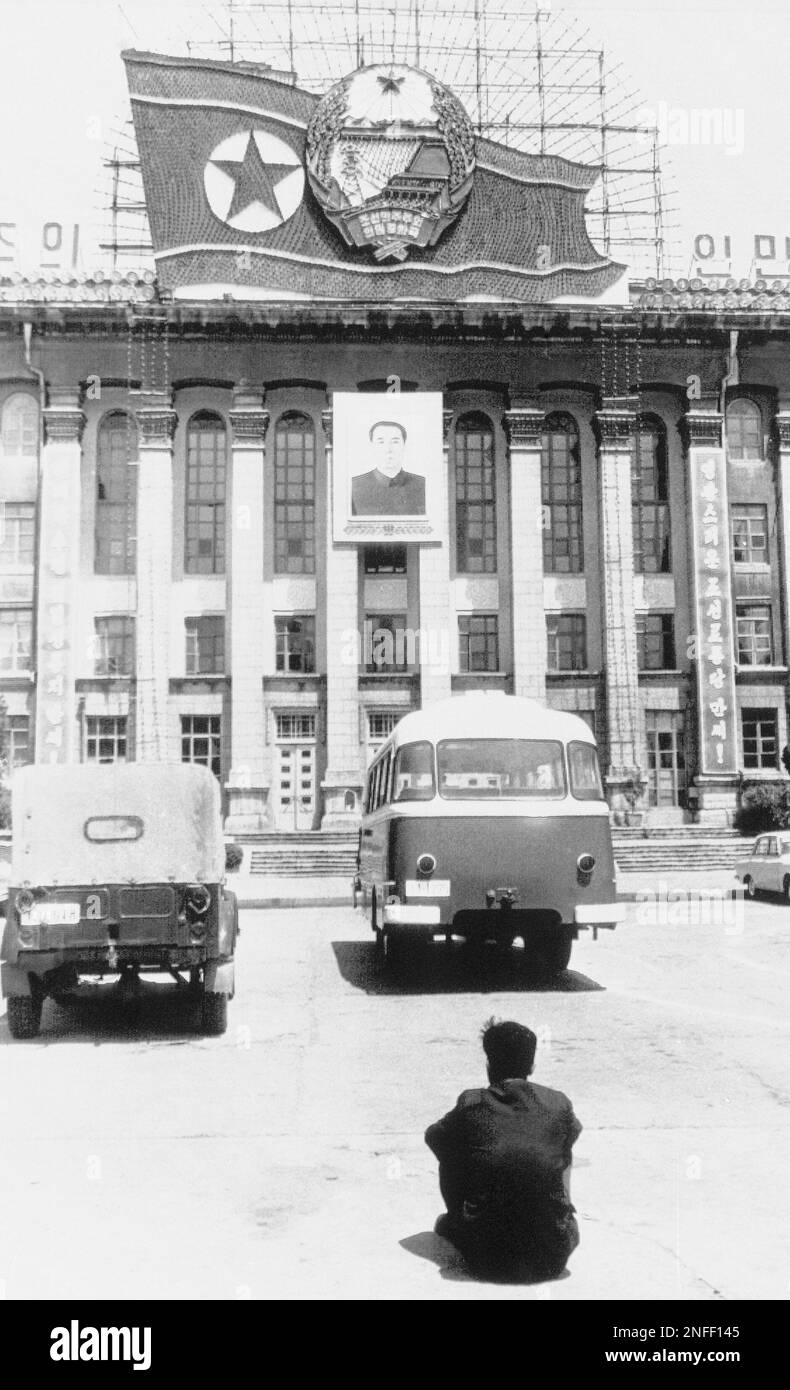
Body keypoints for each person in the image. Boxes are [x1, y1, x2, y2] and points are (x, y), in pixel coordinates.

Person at [425, 1018, 582, 1282]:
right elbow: (571, 1138)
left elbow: (434, 1137)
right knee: (560, 1149)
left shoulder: (471, 1102)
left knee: (452, 1144)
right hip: (551, 1254)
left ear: (489, 1065)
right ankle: (550, 1214)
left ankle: (458, 1220)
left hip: (486, 1256)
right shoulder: (558, 1103)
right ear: (531, 1065)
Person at [351, 419, 426, 516]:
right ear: (371, 446)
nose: (388, 449)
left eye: (395, 442)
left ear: (404, 445)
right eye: (381, 442)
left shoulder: (424, 485)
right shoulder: (353, 486)